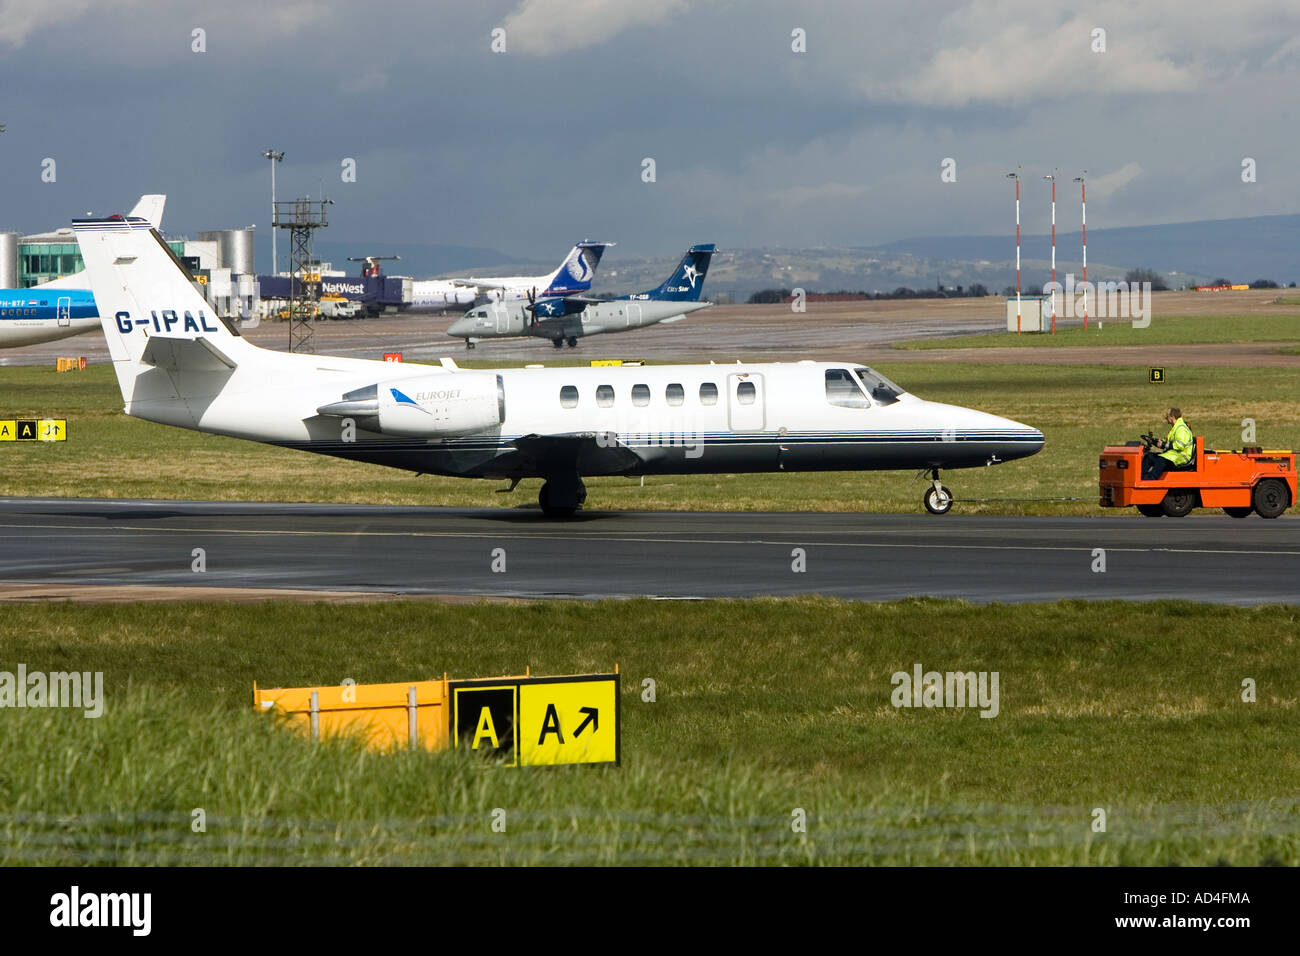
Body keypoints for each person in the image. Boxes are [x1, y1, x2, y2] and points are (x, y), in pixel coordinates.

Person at [1142, 407, 1194, 480]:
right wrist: (1156, 442)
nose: (1165, 417)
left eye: (1167, 416)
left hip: (1181, 457)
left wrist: (1164, 445)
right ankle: (1140, 477)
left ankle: (1150, 480)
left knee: (1161, 461)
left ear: (1172, 417)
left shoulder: (1181, 429)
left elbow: (1180, 445)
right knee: (1149, 457)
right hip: (1173, 455)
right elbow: (1168, 442)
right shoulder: (1175, 428)